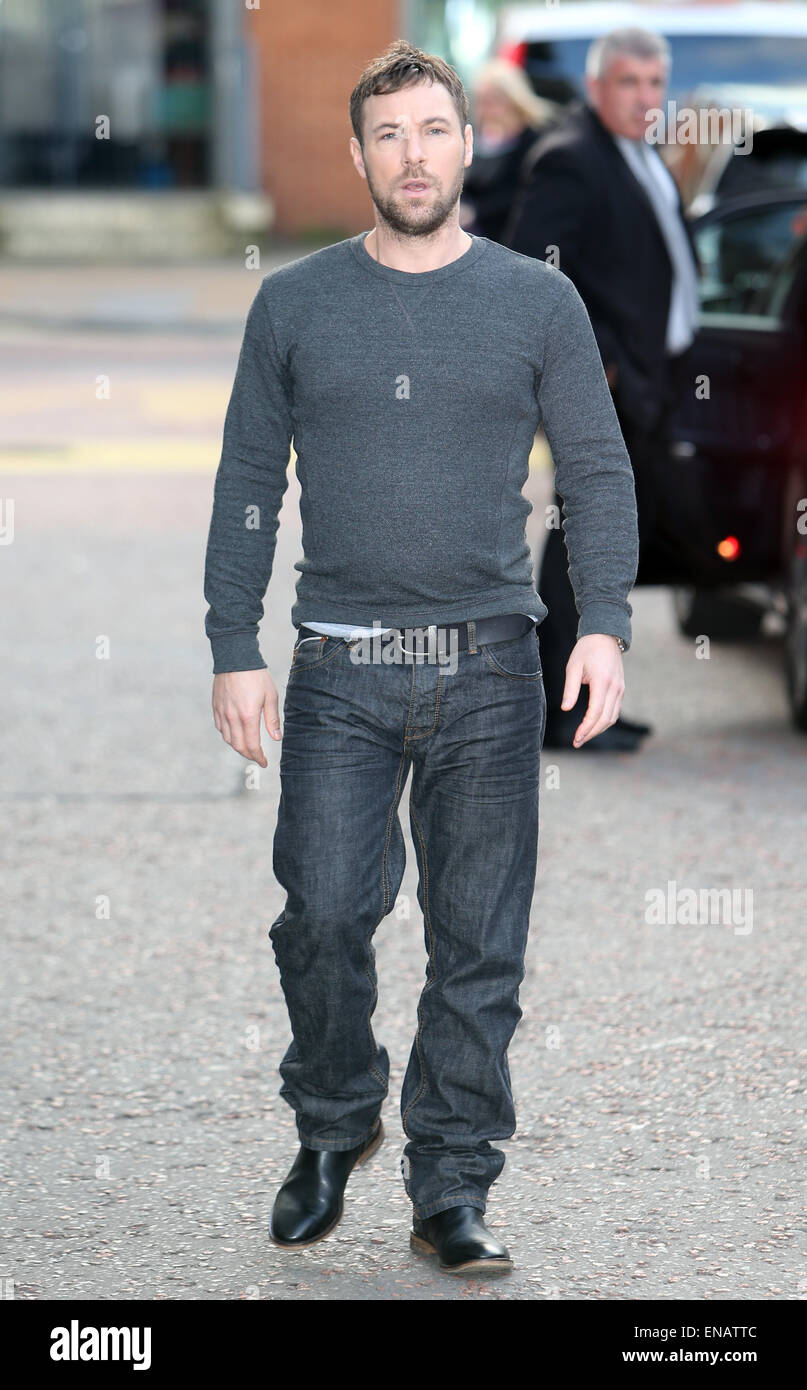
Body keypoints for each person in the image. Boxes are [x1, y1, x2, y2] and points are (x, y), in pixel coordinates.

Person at [203, 38, 639, 1278]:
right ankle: (336, 1122)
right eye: (389, 135)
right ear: (358, 156)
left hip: (493, 666)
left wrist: (601, 621)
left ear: (468, 144)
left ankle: (452, 1183)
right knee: (326, 913)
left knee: (478, 943)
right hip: (339, 667)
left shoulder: (536, 300)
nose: (413, 155)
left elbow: (597, 472)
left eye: (434, 131)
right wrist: (234, 643)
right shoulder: (293, 303)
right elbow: (247, 486)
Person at [505, 27, 701, 751]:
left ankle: (584, 700)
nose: (645, 98)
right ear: (596, 88)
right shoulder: (570, 160)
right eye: (629, 83)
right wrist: (605, 364)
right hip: (604, 387)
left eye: (655, 84)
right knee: (579, 544)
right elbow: (536, 275)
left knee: (599, 547)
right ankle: (561, 708)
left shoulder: (638, 153)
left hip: (652, 384)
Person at [459, 57, 560, 243]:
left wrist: (478, 212)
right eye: (480, 101)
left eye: (491, 102)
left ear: (512, 101)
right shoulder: (478, 137)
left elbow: (524, 193)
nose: (484, 110)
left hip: (514, 239)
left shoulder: (535, 142)